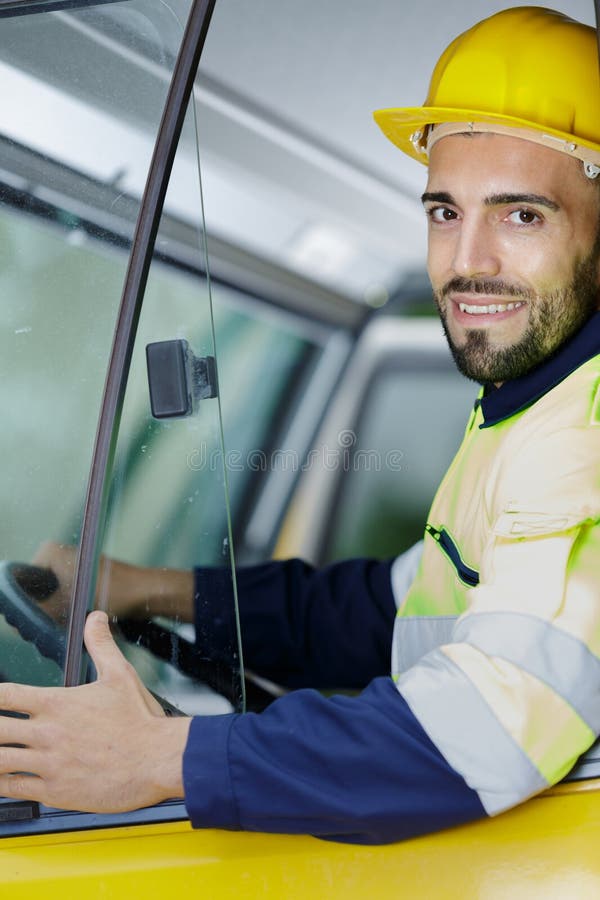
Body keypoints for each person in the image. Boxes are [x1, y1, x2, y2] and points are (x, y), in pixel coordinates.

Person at [1, 5, 600, 844]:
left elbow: (480, 736)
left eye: (522, 215)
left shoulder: (582, 432)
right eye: (444, 212)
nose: (469, 261)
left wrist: (165, 758)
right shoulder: (527, 407)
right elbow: (388, 609)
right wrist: (146, 589)